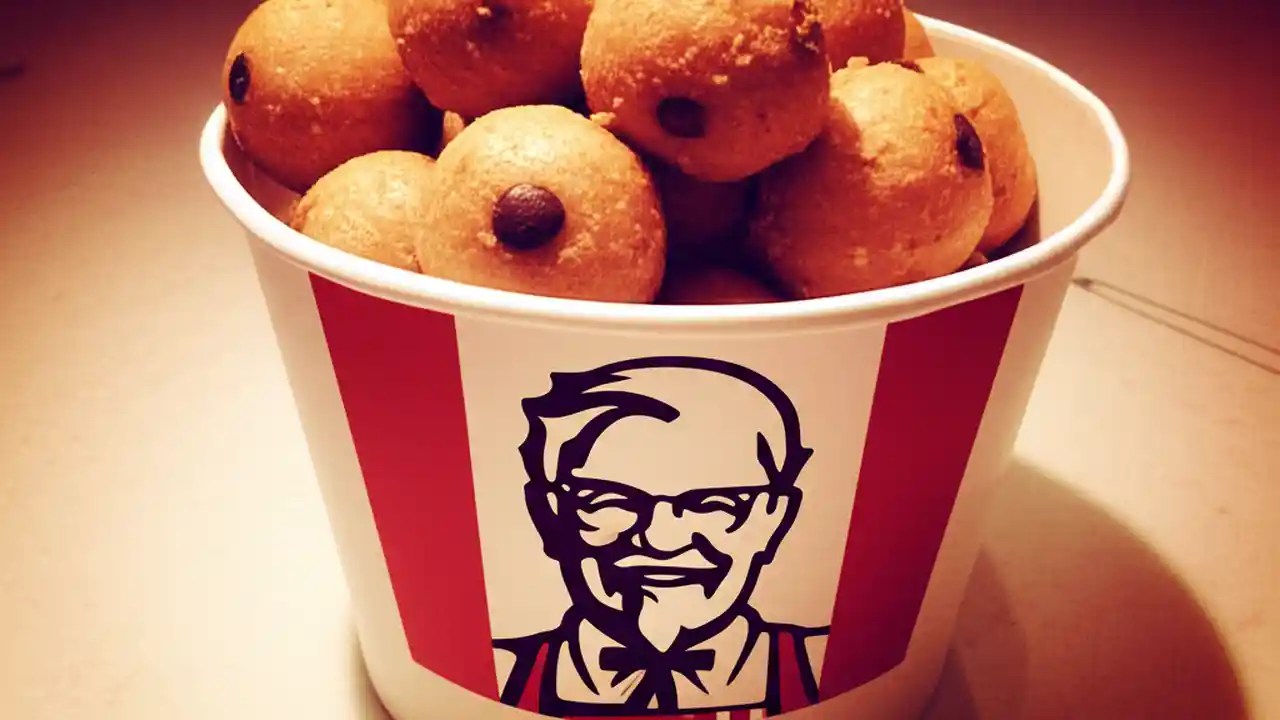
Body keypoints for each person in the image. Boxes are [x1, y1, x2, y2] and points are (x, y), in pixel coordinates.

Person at [495, 356, 828, 717]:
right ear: (549, 515)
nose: (662, 541)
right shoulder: (496, 670)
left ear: (775, 519)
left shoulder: (831, 663)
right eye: (611, 501)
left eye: (714, 504)